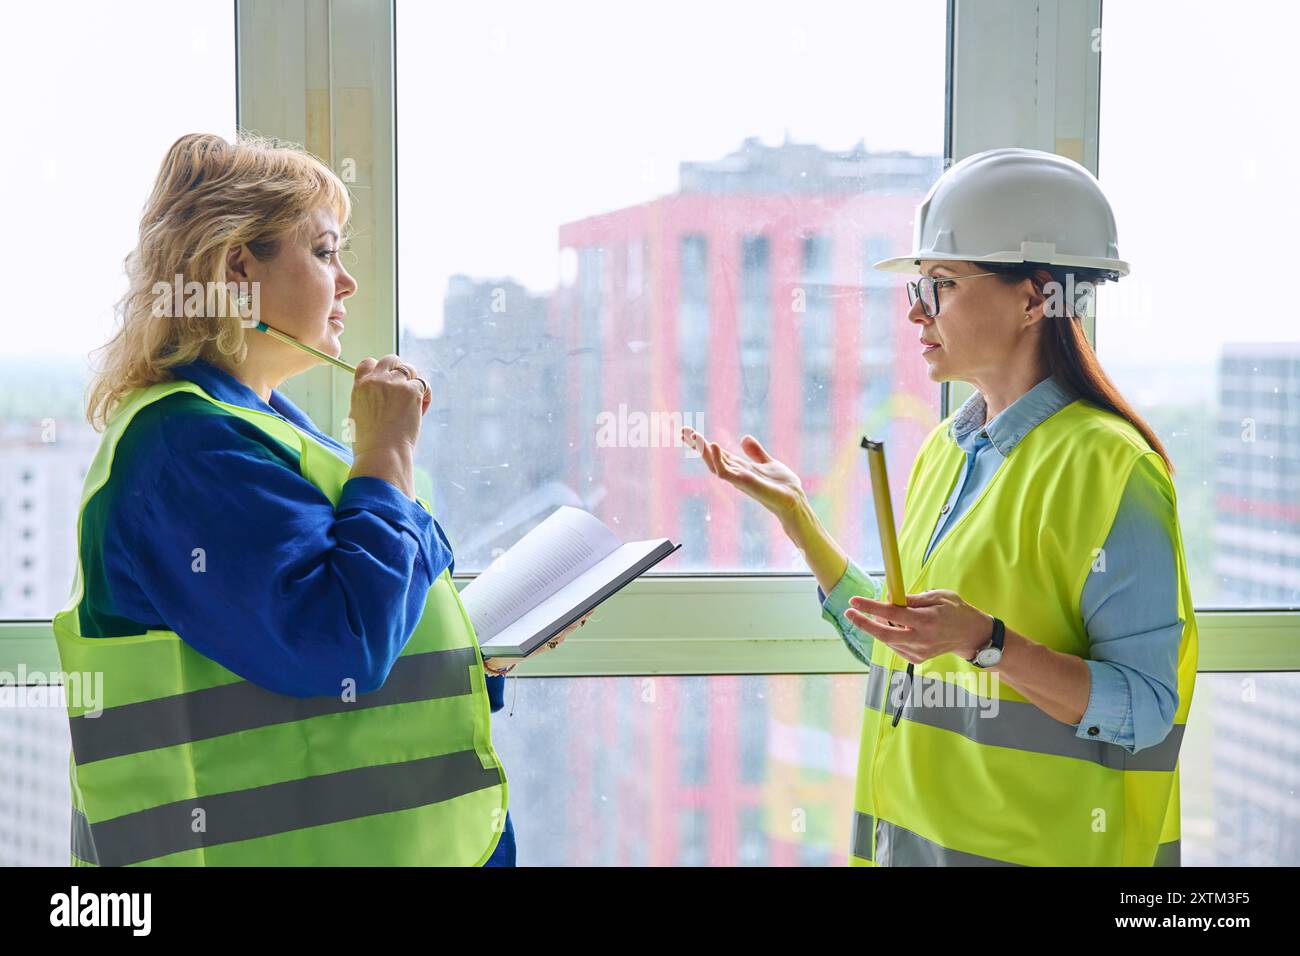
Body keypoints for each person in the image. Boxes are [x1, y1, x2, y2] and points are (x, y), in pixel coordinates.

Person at [53, 131, 581, 866]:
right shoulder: (187, 449)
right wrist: (388, 452)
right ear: (238, 266)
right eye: (326, 251)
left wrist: (469, 660)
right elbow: (339, 647)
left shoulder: (267, 435)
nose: (348, 283)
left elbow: (301, 663)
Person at [684, 147, 1197, 866]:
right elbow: (913, 655)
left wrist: (989, 642)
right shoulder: (945, 452)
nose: (916, 312)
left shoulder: (1113, 469)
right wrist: (801, 523)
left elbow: (1145, 710)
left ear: (1033, 297)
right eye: (917, 287)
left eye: (942, 284)